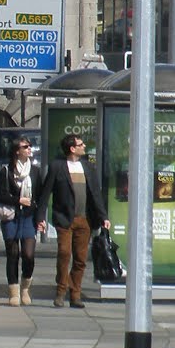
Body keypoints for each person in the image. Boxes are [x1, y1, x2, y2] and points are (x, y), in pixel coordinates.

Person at [35, 131, 109, 309]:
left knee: (81, 258)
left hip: (85, 220)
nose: (84, 147)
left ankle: (75, 293)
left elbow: (95, 195)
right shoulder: (57, 167)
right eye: (81, 144)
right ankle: (60, 291)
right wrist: (40, 218)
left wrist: (103, 216)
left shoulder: (88, 167)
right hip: (64, 219)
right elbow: (45, 194)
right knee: (64, 253)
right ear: (72, 148)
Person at [0, 135, 45, 306]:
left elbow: (40, 197)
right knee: (13, 253)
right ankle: (14, 292)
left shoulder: (36, 171)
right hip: (11, 216)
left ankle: (25, 288)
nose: (29, 149)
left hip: (29, 217)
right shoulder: (6, 170)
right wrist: (18, 200)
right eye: (25, 147)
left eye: (30, 146)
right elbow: (0, 195)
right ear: (17, 150)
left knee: (28, 255)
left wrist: (41, 218)